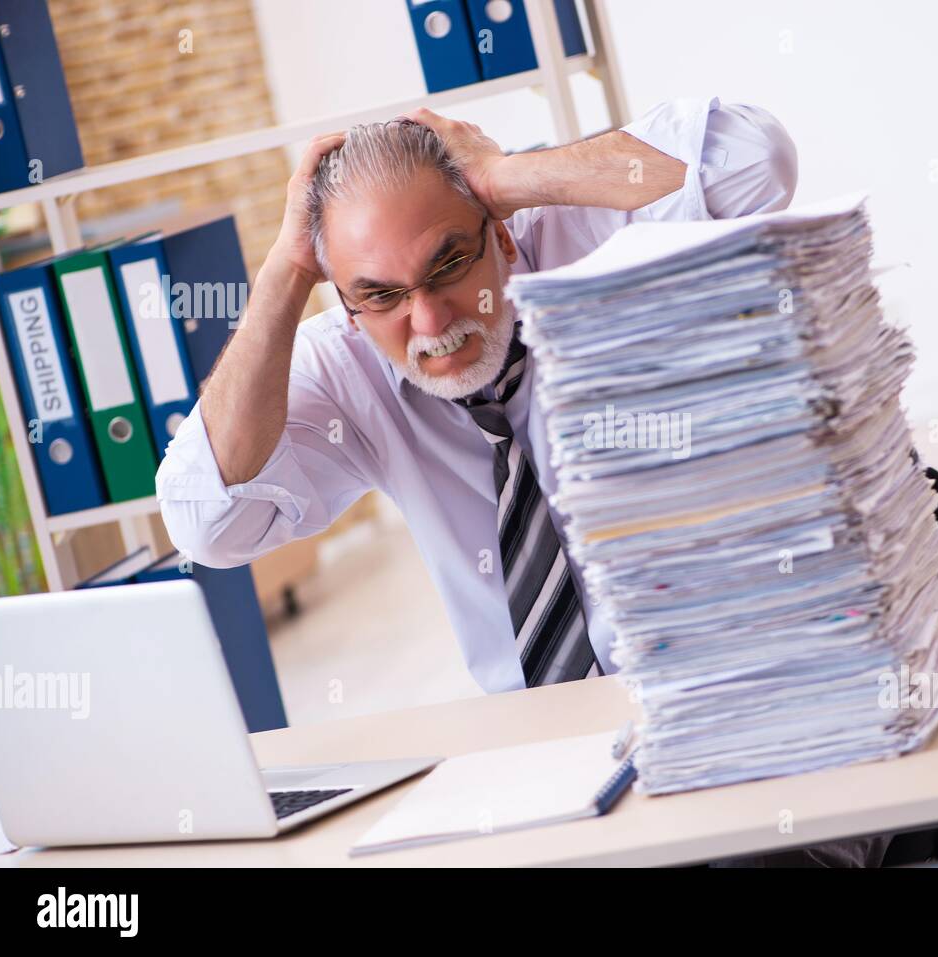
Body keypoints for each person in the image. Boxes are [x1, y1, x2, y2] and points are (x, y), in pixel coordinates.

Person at [157, 96, 888, 866]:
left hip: (745, 728)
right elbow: (208, 523)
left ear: (499, 230)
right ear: (346, 302)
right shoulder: (347, 360)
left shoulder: (587, 234)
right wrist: (288, 267)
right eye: (380, 294)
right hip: (553, 780)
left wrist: (506, 174)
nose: (432, 322)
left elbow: (755, 164)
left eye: (449, 264)